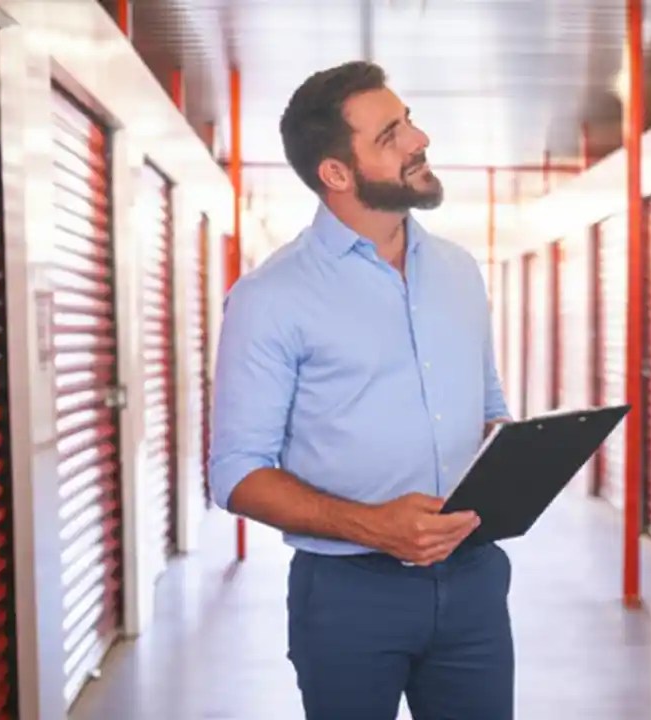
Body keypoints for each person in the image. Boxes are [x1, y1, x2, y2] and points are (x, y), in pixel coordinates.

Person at [207, 60, 514, 719]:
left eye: (407, 122)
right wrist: (374, 527)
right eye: (390, 135)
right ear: (337, 174)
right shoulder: (271, 298)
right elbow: (235, 473)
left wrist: (520, 461)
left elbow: (489, 411)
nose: (419, 139)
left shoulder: (459, 272)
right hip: (347, 598)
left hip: (474, 583)